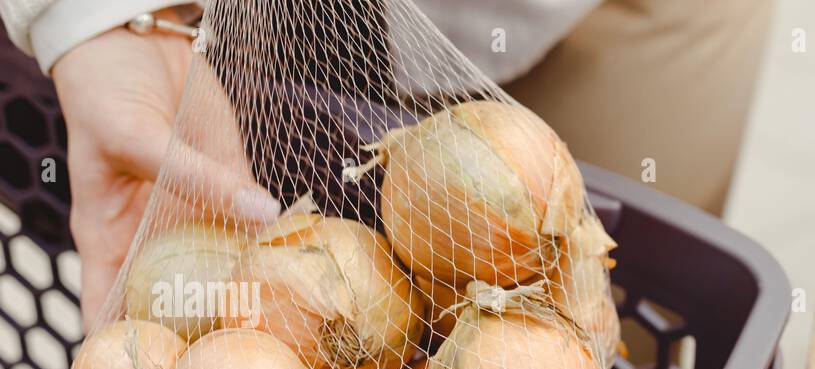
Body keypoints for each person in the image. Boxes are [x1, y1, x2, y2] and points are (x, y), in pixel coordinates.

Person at [0, 0, 770, 330]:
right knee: (287, 329)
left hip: (608, 18)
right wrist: (97, 15)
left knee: (597, 334)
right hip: (243, 23)